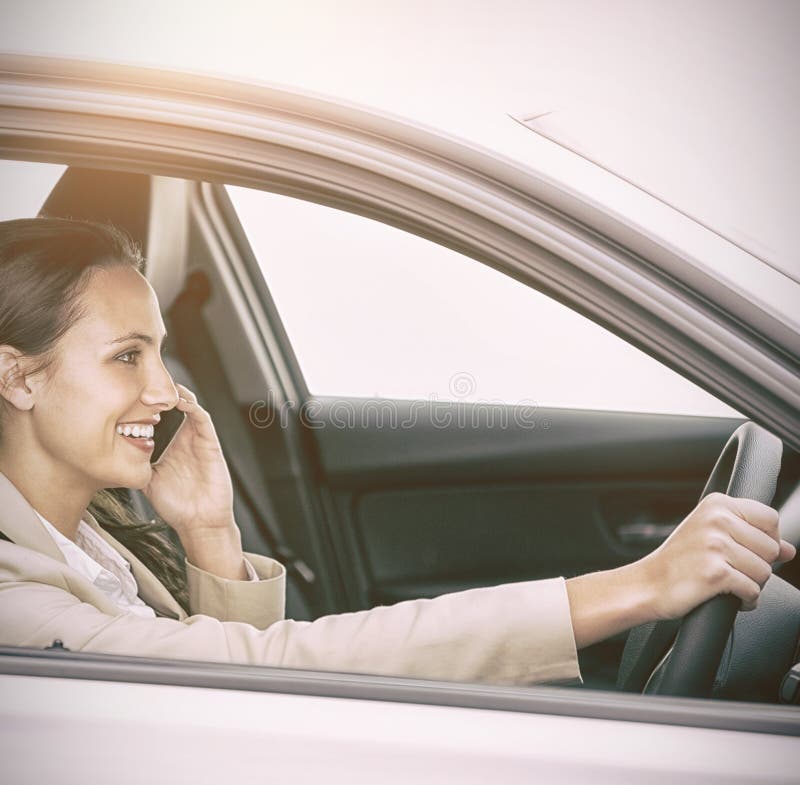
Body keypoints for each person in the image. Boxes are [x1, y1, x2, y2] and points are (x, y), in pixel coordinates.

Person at [0, 217, 794, 687]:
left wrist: (208, 532)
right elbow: (280, 669)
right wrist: (635, 587)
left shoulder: (86, 543)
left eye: (162, 355)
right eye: (126, 356)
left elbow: (219, 686)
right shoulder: (17, 605)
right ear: (17, 376)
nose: (167, 390)